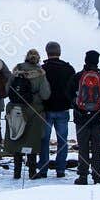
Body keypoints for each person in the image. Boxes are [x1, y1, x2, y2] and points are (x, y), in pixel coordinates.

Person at [4, 48, 51, 179]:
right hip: (34, 109)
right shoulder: (40, 73)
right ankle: (31, 171)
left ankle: (17, 172)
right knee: (32, 141)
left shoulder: (17, 71)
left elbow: (7, 89)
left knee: (17, 138)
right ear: (38, 59)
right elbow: (45, 95)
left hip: (15, 109)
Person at [69, 50, 100, 184]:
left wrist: (77, 108)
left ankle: (83, 176)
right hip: (98, 117)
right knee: (97, 147)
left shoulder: (77, 77)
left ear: (85, 60)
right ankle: (97, 175)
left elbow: (68, 94)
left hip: (81, 117)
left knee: (83, 147)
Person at [39, 41, 76, 178]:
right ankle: (60, 169)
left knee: (44, 140)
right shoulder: (69, 69)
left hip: (46, 109)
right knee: (62, 140)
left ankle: (43, 168)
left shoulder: (42, 69)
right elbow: (73, 89)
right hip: (63, 109)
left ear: (47, 52)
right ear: (59, 52)